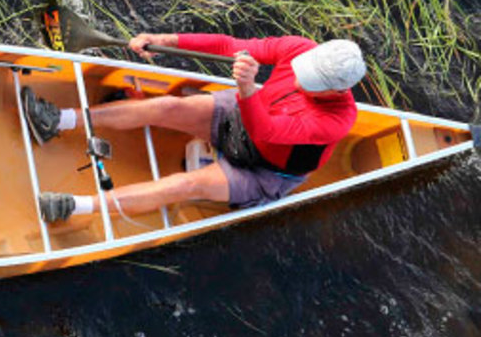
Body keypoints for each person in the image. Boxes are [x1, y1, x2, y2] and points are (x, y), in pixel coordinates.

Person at [21, 32, 367, 223]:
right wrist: (169, 41)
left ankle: (74, 207)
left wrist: (247, 90)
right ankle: (60, 120)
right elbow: (230, 46)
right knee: (168, 106)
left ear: (338, 90)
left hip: (266, 168)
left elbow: (268, 132)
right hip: (242, 116)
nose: (300, 76)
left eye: (311, 81)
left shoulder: (337, 120)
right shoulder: (300, 49)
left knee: (187, 184)